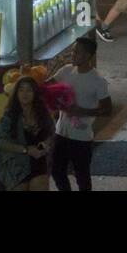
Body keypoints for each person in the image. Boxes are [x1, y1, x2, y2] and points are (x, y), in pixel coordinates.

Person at [50, 37, 112, 191]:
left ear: (88, 56)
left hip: (82, 136)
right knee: (56, 170)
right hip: (61, 132)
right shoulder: (65, 71)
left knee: (82, 175)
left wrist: (83, 111)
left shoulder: (98, 81)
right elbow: (48, 84)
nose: (73, 55)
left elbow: (107, 109)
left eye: (77, 52)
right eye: (73, 51)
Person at [0, 76, 54, 191]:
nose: (25, 94)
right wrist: (26, 149)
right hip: (16, 165)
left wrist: (46, 145)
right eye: (21, 90)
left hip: (39, 163)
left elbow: (52, 134)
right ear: (16, 93)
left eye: (29, 90)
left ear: (35, 93)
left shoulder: (44, 114)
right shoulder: (9, 116)